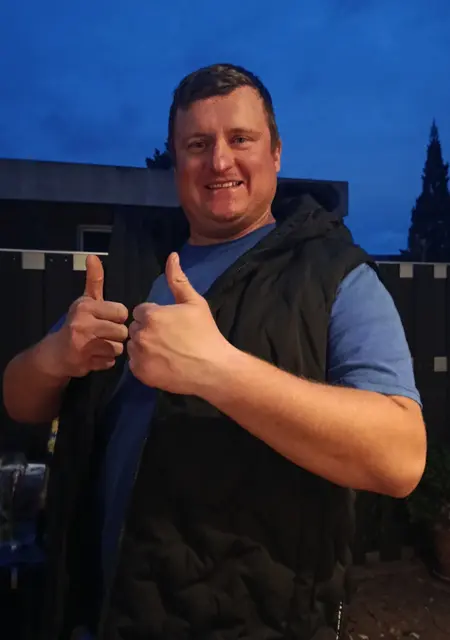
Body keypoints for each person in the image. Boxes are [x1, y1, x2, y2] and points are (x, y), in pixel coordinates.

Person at [2, 63, 426, 640]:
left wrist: (218, 371)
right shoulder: (134, 269)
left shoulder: (335, 276)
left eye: (240, 139)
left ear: (276, 153)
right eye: (197, 144)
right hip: (98, 613)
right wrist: (56, 357)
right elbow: (18, 399)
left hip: (258, 621)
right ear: (176, 161)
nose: (220, 161)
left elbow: (400, 458)